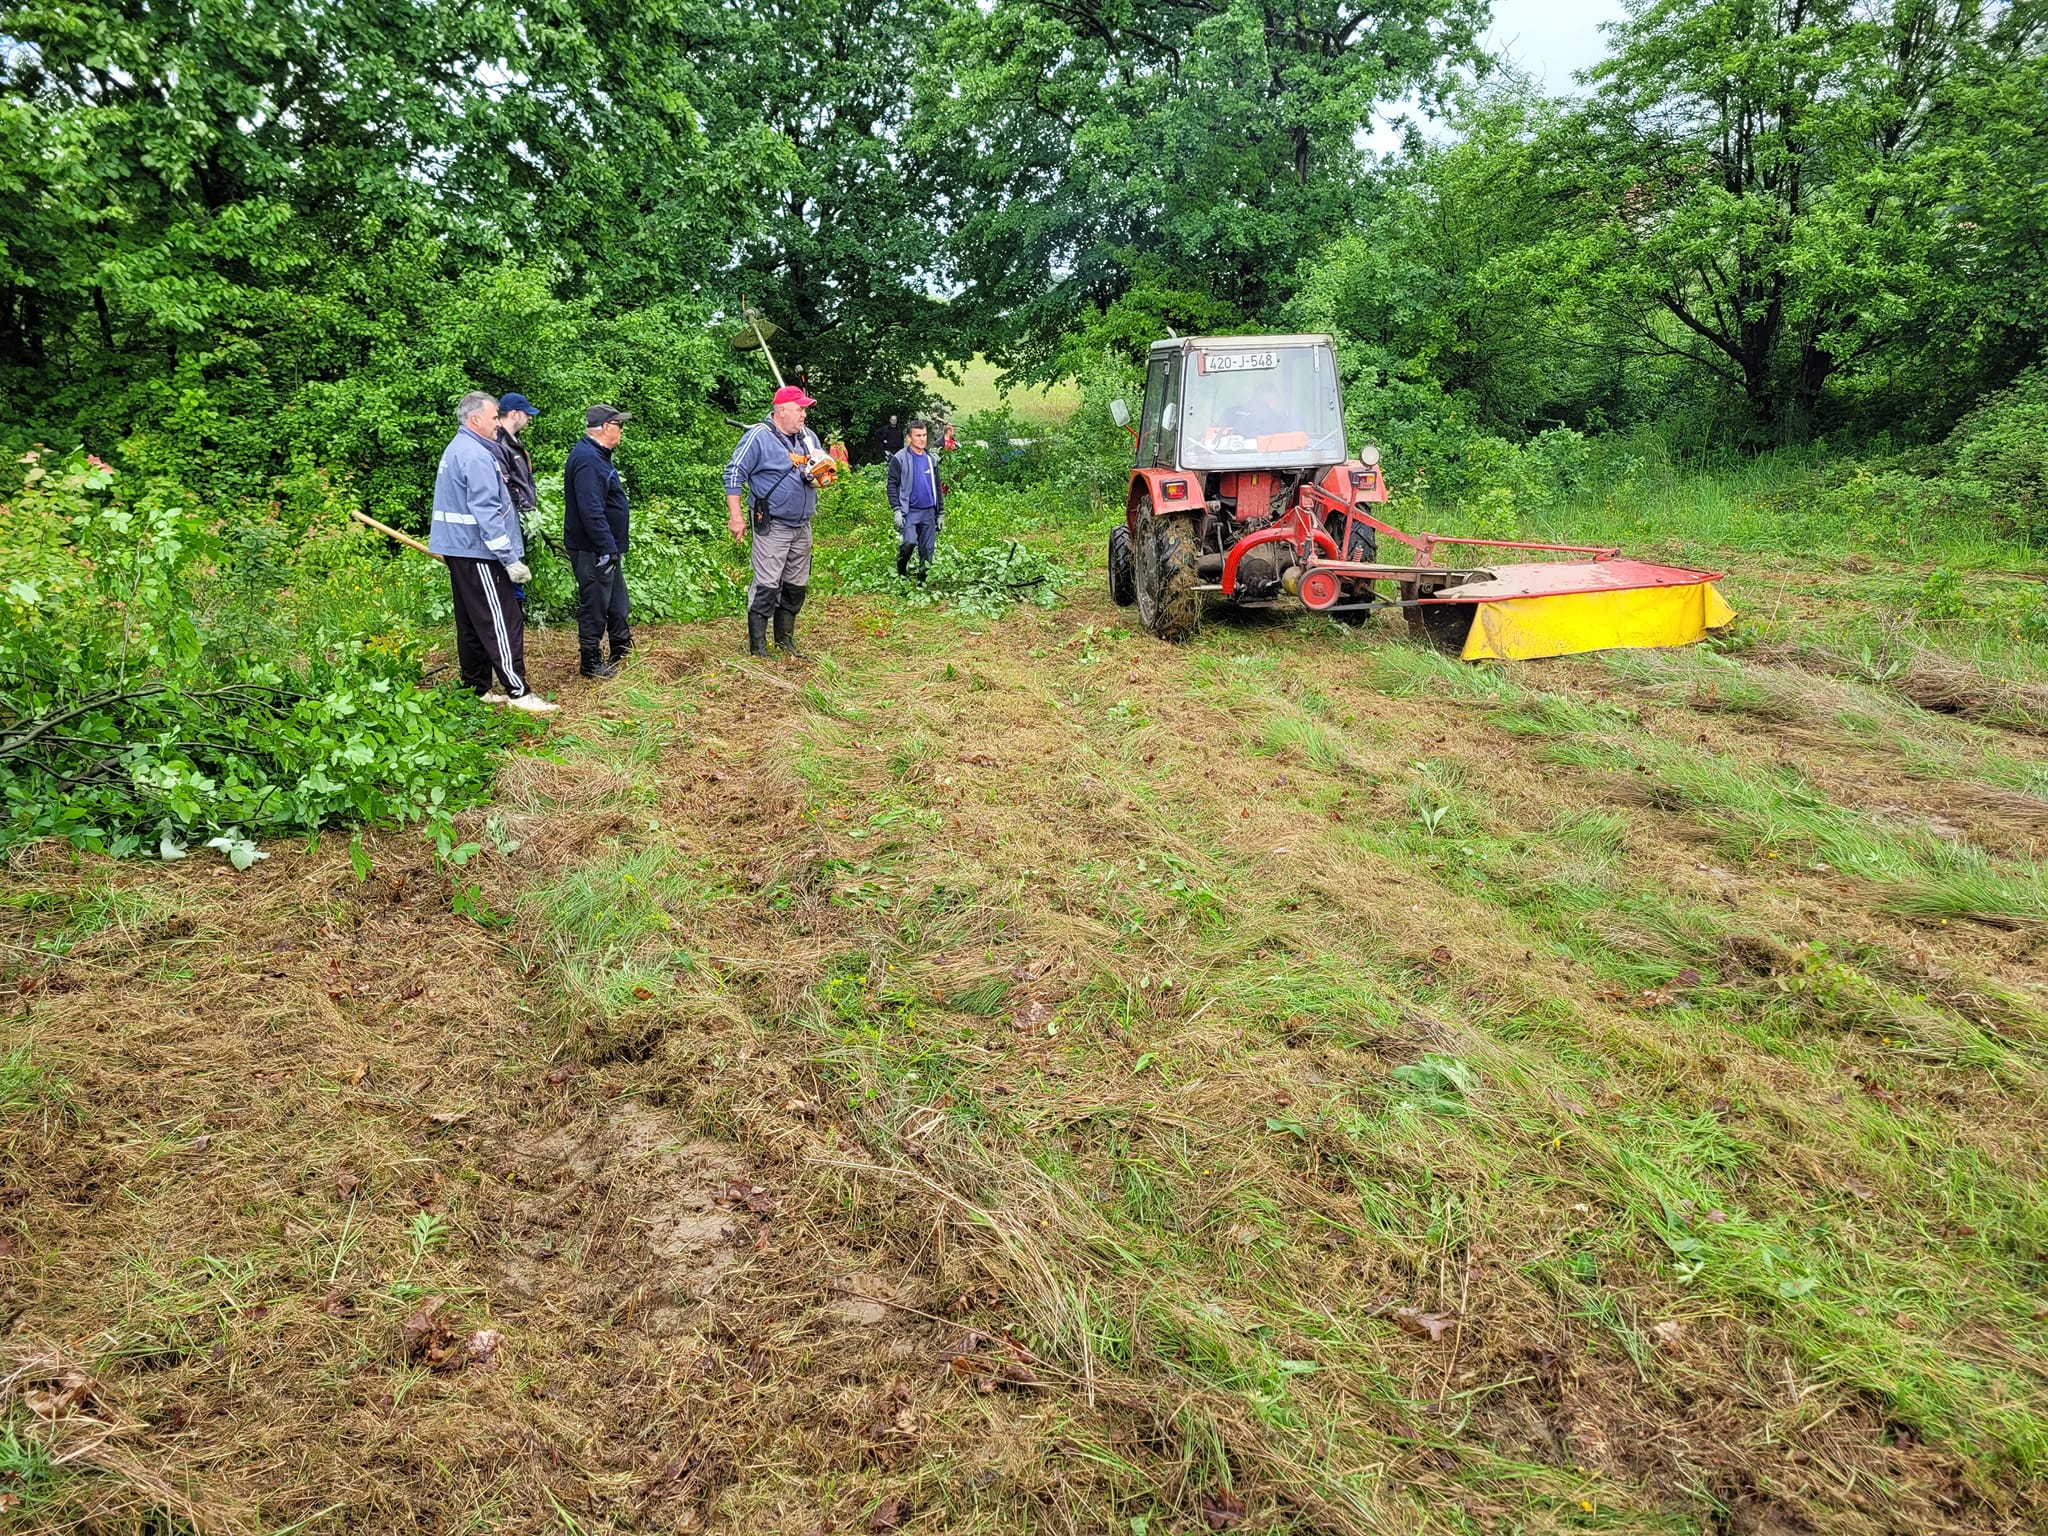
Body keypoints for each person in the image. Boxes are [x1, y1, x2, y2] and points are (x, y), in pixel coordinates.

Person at [429, 392, 558, 714]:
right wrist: (509, 558)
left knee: (473, 620)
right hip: (478, 550)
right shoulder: (474, 454)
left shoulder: (460, 447)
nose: (496, 421)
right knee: (502, 619)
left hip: (462, 549)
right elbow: (487, 511)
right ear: (475, 420)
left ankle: (477, 688)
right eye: (492, 416)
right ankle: (519, 692)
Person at [725, 384, 829, 659]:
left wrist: (820, 475)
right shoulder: (758, 437)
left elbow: (818, 474)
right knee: (768, 584)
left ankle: (785, 642)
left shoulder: (808, 437)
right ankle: (758, 647)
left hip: (802, 523)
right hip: (772, 523)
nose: (804, 415)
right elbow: (734, 473)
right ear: (781, 411)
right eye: (799, 409)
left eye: (805, 409)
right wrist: (736, 516)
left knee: (796, 585)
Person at [563, 404, 635, 680]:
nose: (622, 431)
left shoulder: (598, 456)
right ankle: (590, 661)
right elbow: (590, 509)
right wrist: (605, 547)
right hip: (593, 548)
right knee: (594, 603)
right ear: (605, 428)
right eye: (619, 425)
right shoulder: (588, 459)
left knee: (617, 601)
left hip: (606, 547)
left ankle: (621, 649)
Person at [886, 420, 945, 581]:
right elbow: (892, 485)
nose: (922, 439)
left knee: (927, 549)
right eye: (918, 435)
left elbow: (938, 486)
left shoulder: (931, 459)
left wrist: (940, 513)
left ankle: (922, 581)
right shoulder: (899, 459)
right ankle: (901, 567)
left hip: (928, 511)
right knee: (909, 543)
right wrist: (897, 509)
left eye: (924, 435)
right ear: (909, 438)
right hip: (910, 511)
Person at [494, 392, 541, 521]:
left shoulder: (515, 440)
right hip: (512, 518)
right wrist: (525, 509)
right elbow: (505, 484)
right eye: (527, 414)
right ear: (514, 414)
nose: (530, 418)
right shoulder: (499, 443)